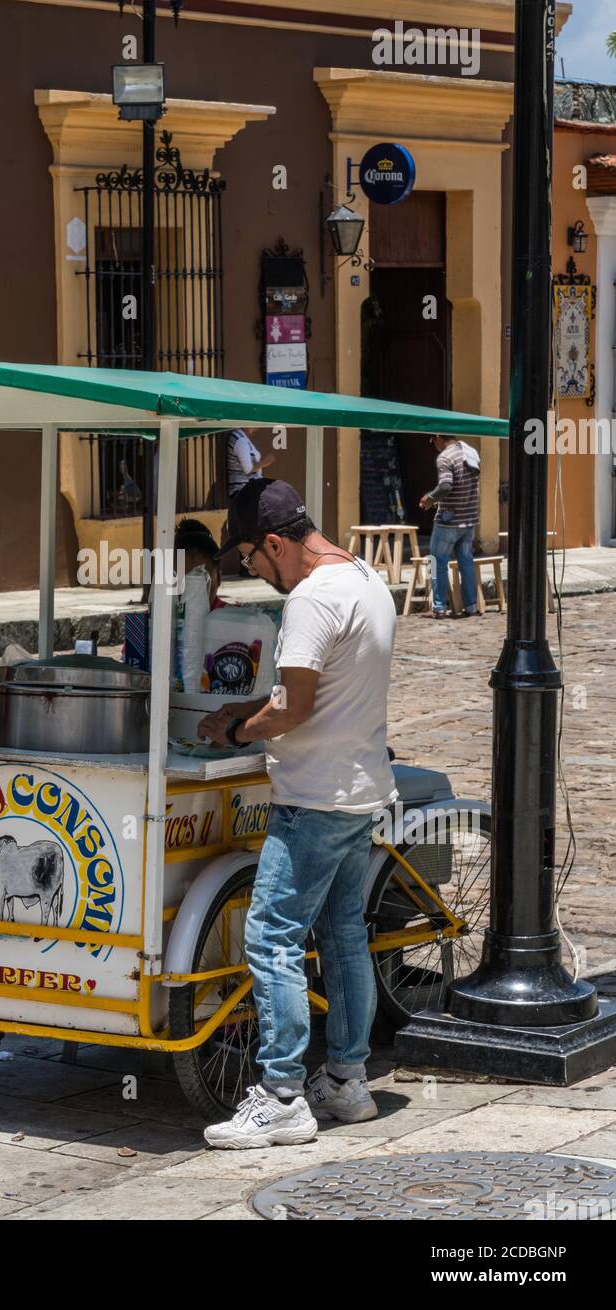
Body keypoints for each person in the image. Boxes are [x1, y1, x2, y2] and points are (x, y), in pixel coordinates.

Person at [196, 478, 397, 1150]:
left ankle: (281, 1095)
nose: (251, 571)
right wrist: (251, 714)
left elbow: (292, 708)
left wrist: (234, 730)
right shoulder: (365, 579)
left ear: (275, 542)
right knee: (341, 935)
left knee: (271, 936)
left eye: (250, 558)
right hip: (358, 788)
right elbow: (317, 693)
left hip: (311, 798)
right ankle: (345, 1079)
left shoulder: (311, 598)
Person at [419, 435, 481, 619]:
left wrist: (429, 498)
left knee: (437, 562)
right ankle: (471, 606)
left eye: (433, 441)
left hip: (449, 520)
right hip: (468, 518)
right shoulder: (470, 452)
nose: (434, 446)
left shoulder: (445, 457)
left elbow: (446, 485)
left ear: (439, 437)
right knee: (466, 561)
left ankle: (439, 607)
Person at [175, 518, 226, 610]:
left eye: (202, 579)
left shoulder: (238, 621)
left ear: (218, 578)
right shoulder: (151, 621)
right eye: (182, 581)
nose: (193, 591)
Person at [227, 428, 275, 496]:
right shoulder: (240, 440)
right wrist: (264, 463)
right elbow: (248, 469)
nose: (257, 429)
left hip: (249, 488)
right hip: (243, 490)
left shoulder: (242, 437)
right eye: (254, 427)